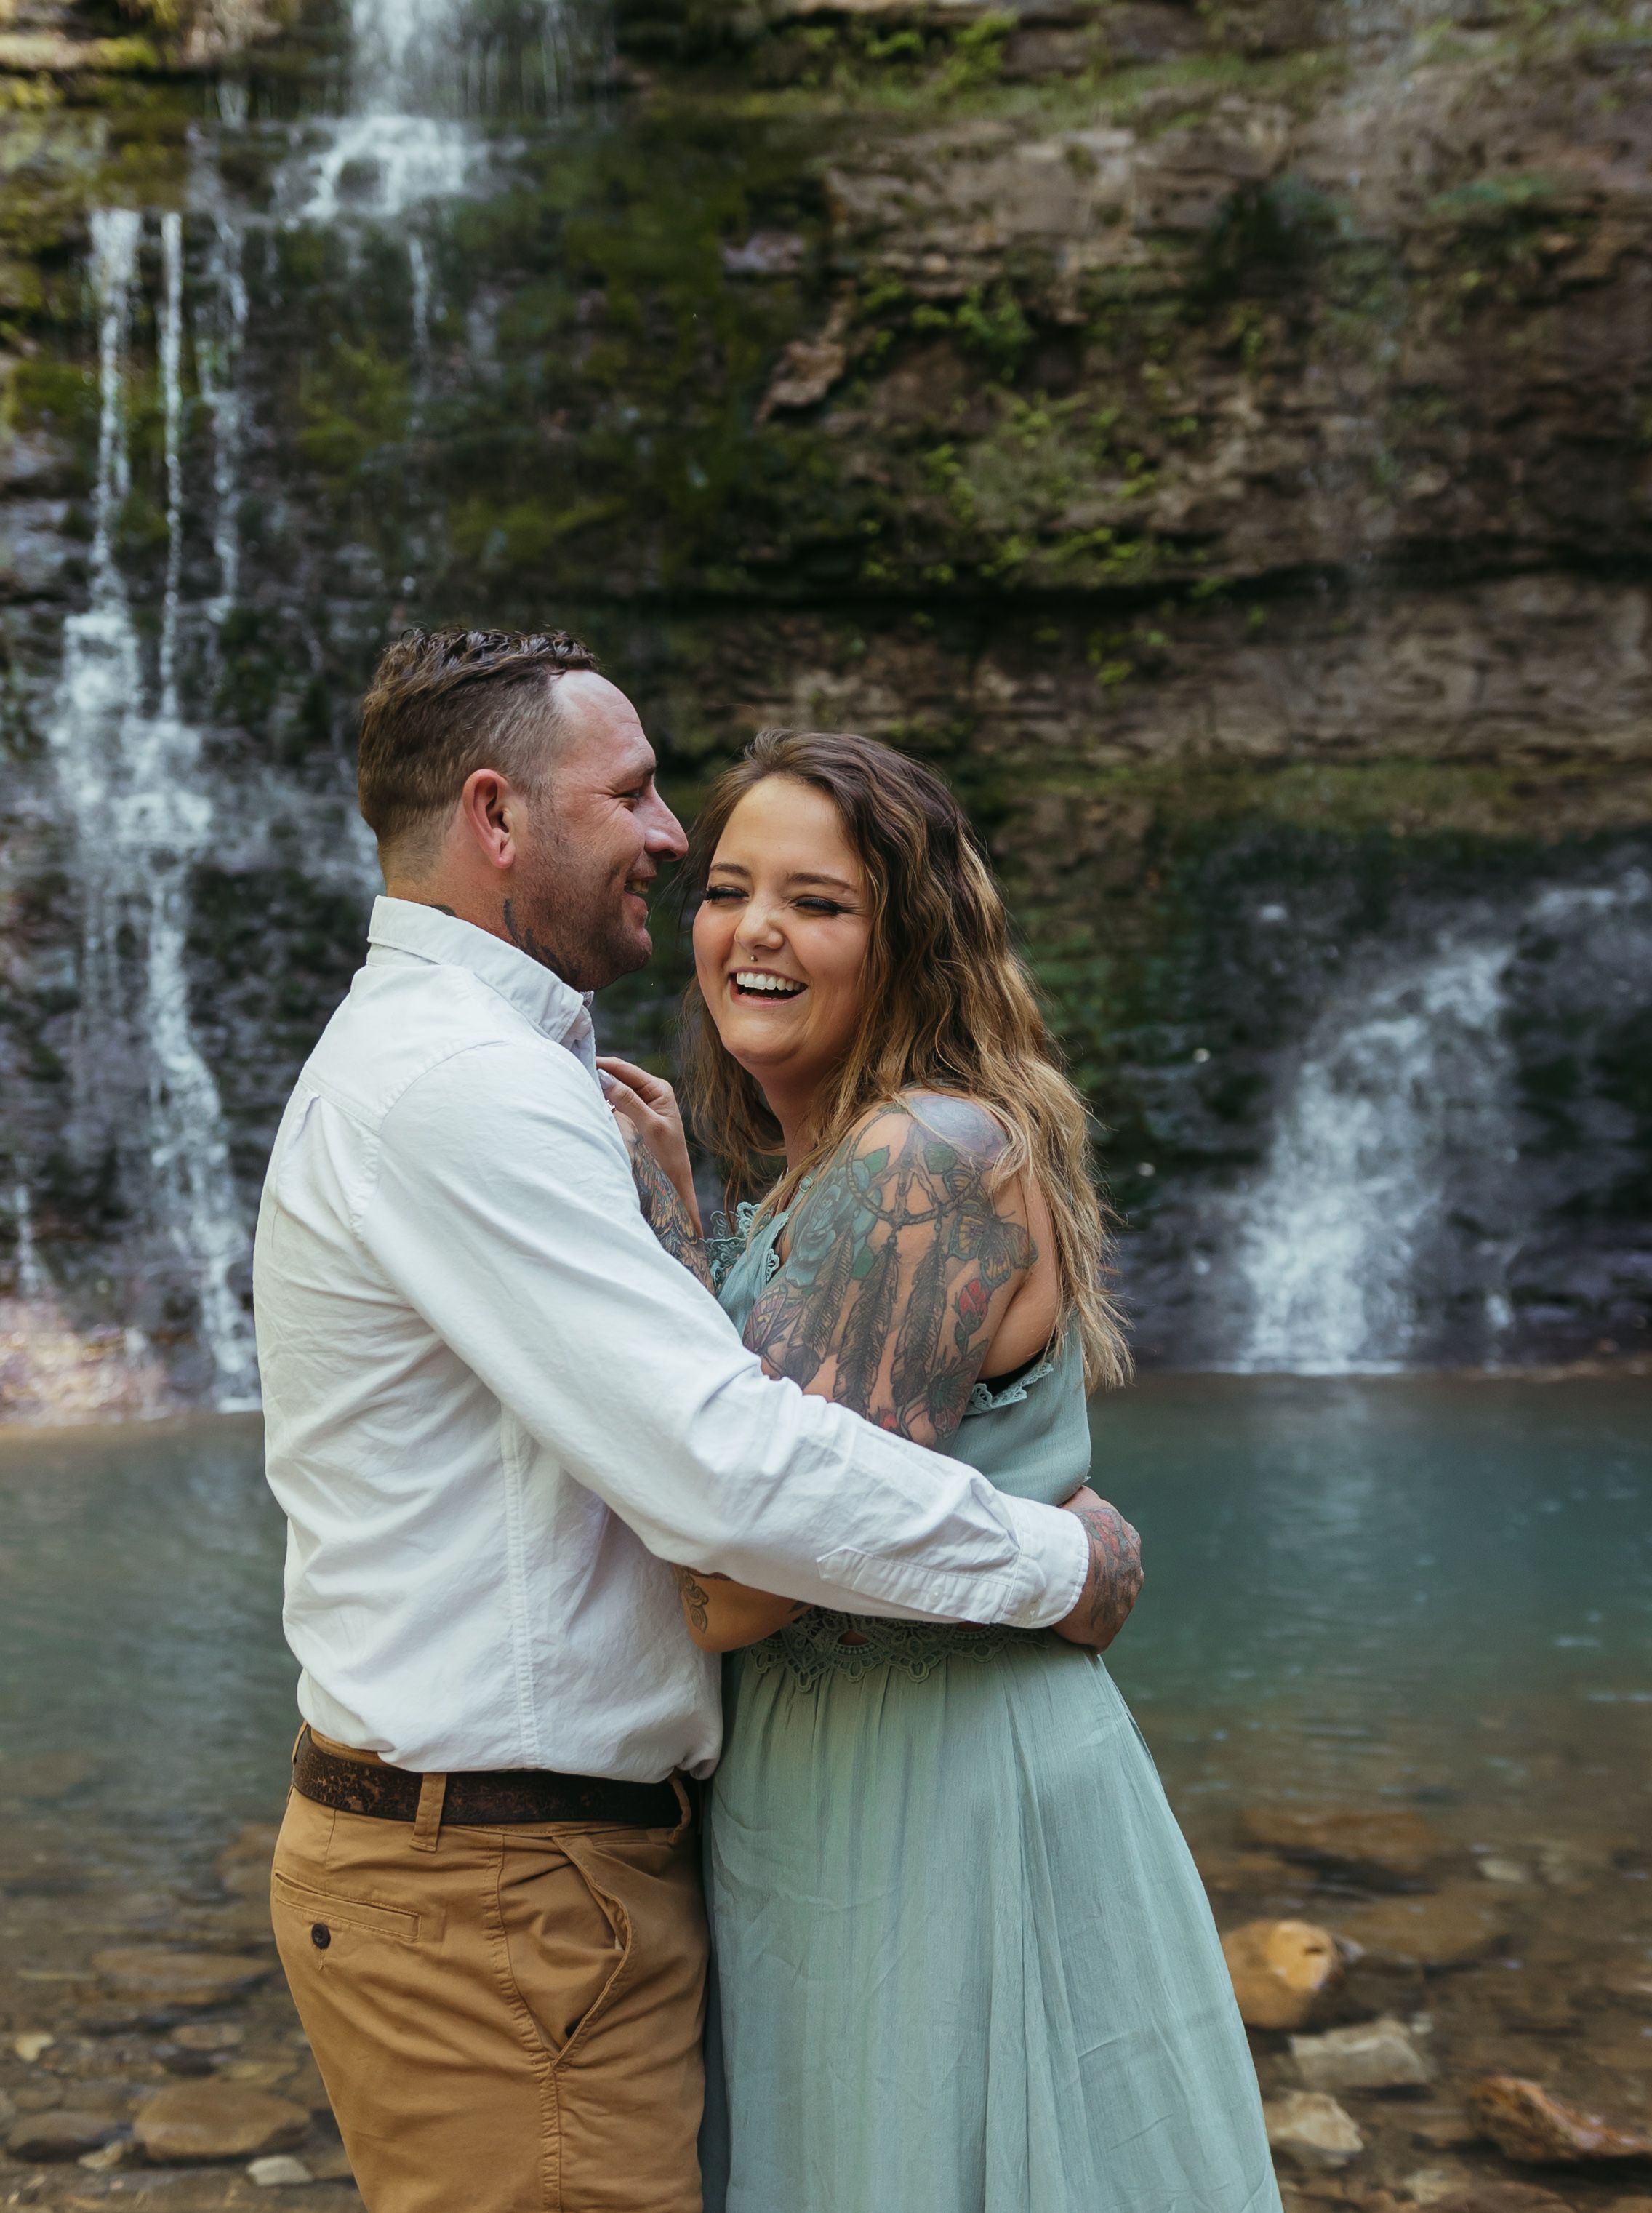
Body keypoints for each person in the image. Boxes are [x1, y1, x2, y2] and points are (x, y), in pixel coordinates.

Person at [252, 630, 1142, 2213]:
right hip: (507, 1889)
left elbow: (689, 1440)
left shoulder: (511, 1073)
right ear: (496, 817)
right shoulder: (470, 1084)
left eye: (813, 896)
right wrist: (1046, 1559)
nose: (674, 847)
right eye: (643, 798)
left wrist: (674, 1247)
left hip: (564, 1874)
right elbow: (721, 1478)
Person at [606, 729, 1280, 2213]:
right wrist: (672, 1229)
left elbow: (736, 1585)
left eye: (818, 901)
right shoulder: (804, 1183)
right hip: (827, 1779)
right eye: (725, 890)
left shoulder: (921, 1154)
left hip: (926, 1783)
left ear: (907, 943)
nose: (755, 931)